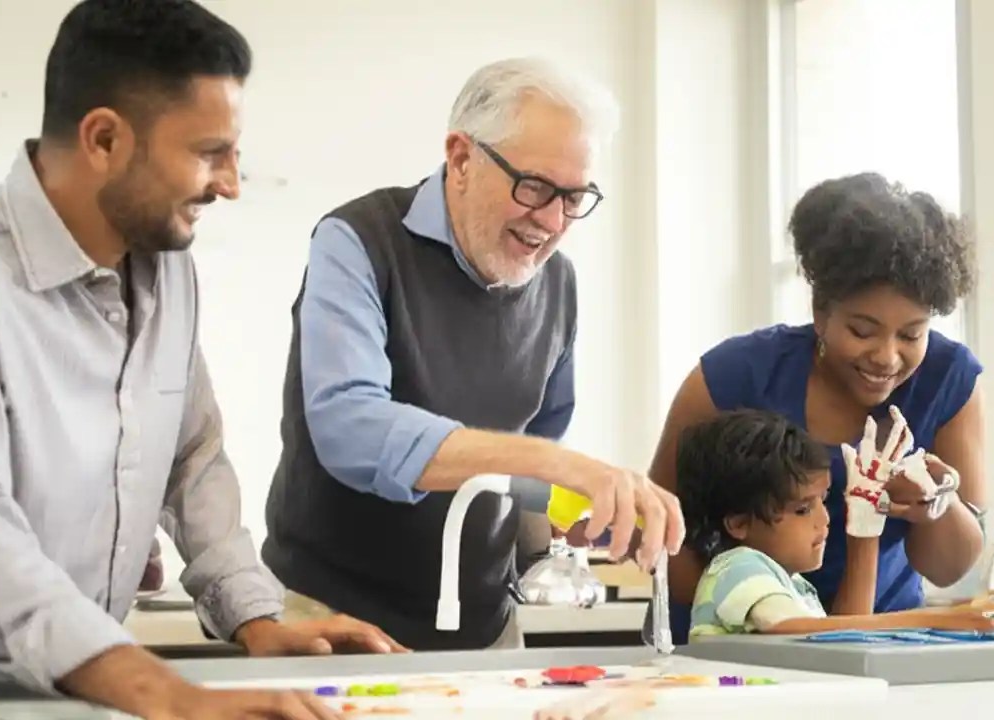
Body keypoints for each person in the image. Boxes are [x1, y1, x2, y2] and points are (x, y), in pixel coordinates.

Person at [0, 2, 403, 718]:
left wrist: (258, 621)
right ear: (105, 139)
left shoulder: (165, 267)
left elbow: (190, 456)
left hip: (91, 696)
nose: (232, 183)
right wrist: (166, 694)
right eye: (211, 151)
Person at [263, 57, 684, 652]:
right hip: (335, 615)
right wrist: (557, 467)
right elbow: (349, 428)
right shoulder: (358, 241)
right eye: (534, 187)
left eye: (574, 197)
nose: (552, 220)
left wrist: (582, 520)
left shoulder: (558, 284)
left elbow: (531, 468)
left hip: (483, 625)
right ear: (461, 158)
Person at [649, 172, 985, 643]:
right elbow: (662, 530)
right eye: (863, 331)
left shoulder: (948, 379)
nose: (887, 357)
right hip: (746, 650)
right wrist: (732, 599)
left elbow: (951, 568)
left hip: (876, 636)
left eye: (911, 334)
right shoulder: (734, 376)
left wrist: (935, 505)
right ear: (821, 311)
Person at [678, 410, 994, 637]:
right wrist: (941, 619)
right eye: (803, 509)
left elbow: (844, 638)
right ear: (738, 523)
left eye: (824, 499)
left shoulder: (794, 586)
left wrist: (866, 527)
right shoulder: (737, 567)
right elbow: (790, 628)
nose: (824, 518)